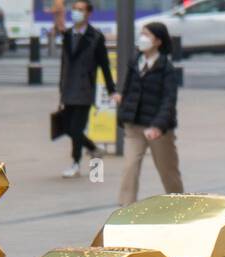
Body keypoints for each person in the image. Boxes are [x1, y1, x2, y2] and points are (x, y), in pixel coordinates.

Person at [113, 22, 183, 205]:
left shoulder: (166, 68)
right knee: (130, 168)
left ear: (158, 41)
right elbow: (127, 87)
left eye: (147, 35)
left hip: (158, 130)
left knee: (168, 171)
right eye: (141, 34)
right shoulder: (135, 60)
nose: (142, 38)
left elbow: (169, 101)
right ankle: (125, 210)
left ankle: (179, 206)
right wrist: (123, 106)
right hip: (134, 126)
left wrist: (158, 126)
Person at [58, 0, 115, 178]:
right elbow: (64, 64)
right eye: (74, 9)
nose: (76, 12)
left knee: (76, 129)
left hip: (84, 89)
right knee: (67, 127)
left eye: (80, 9)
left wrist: (112, 90)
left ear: (88, 13)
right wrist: (61, 87)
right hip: (68, 88)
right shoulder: (67, 34)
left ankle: (75, 162)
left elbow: (104, 66)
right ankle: (93, 148)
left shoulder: (95, 37)